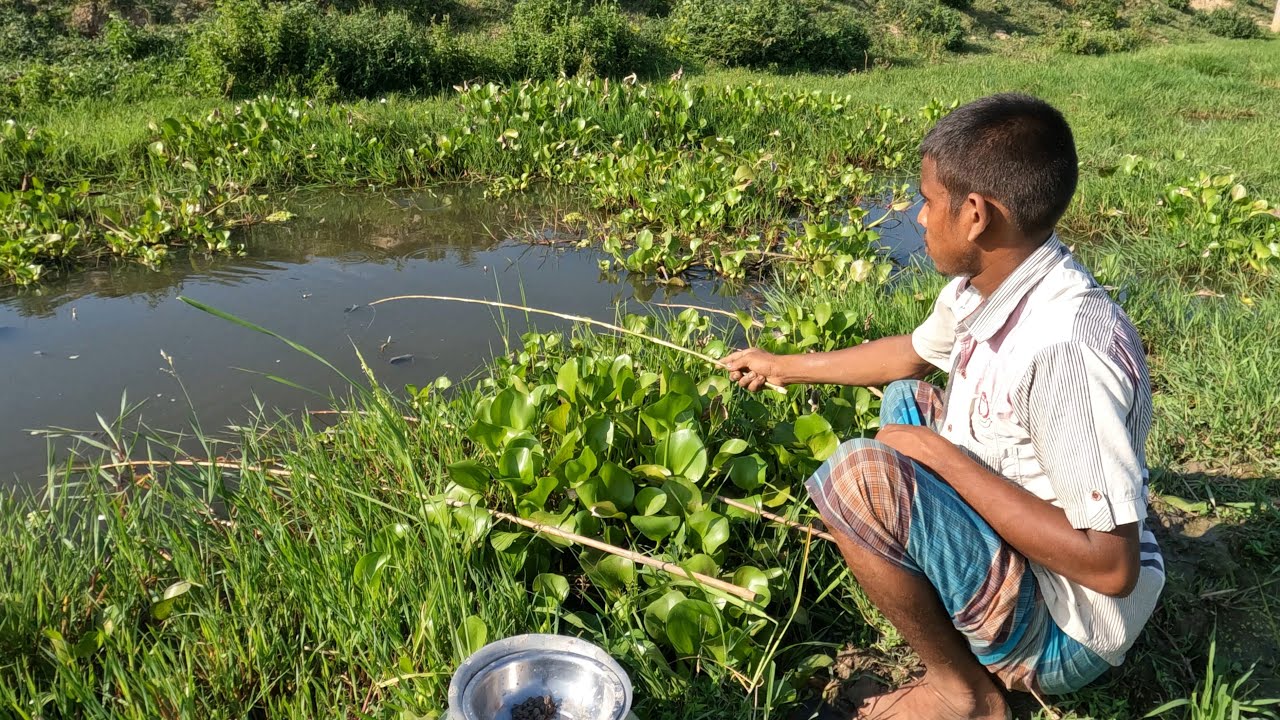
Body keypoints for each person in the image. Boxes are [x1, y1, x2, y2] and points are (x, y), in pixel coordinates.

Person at [721, 93, 1164, 720]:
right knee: (907, 400)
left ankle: (968, 695)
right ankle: (949, 603)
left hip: (1068, 631)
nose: (921, 218)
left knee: (858, 478)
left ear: (976, 215)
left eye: (929, 201)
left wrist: (937, 457)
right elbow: (907, 356)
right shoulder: (993, 284)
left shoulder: (1066, 349)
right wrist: (780, 365)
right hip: (1037, 555)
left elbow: (1110, 566)